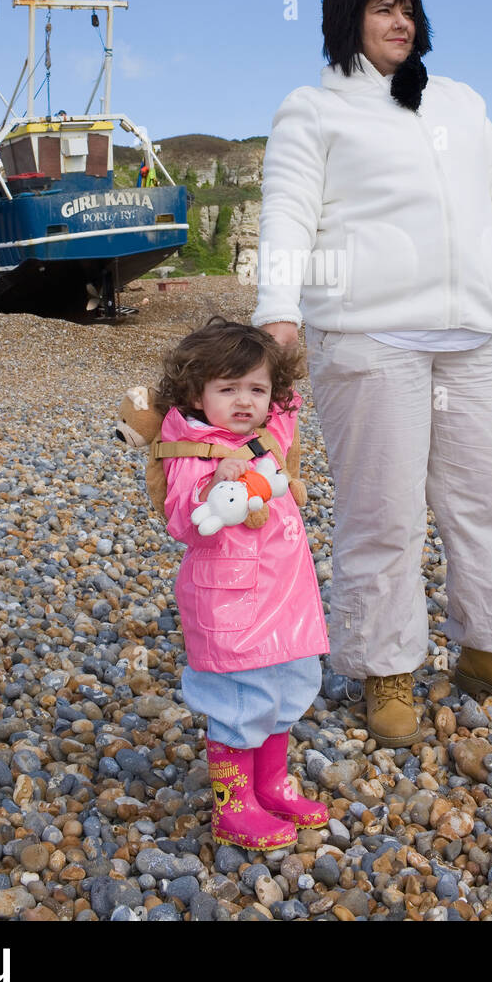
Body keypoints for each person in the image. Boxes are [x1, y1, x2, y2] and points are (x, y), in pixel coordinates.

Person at [251, 0, 492, 747]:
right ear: (346, 18)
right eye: (383, 7)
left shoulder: (456, 102)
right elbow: (287, 209)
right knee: (382, 512)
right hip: (368, 336)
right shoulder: (313, 111)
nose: (401, 21)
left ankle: (488, 646)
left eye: (409, 8)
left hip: (471, 338)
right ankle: (386, 666)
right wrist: (278, 311)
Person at [155, 315, 329, 850]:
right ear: (195, 393)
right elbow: (182, 520)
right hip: (229, 602)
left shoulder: (266, 435)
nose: (244, 401)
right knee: (239, 695)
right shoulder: (192, 448)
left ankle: (271, 782)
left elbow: (288, 403)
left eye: (256, 389)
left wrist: (281, 352)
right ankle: (234, 806)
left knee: (290, 683)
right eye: (226, 389)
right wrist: (215, 492)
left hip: (286, 595)